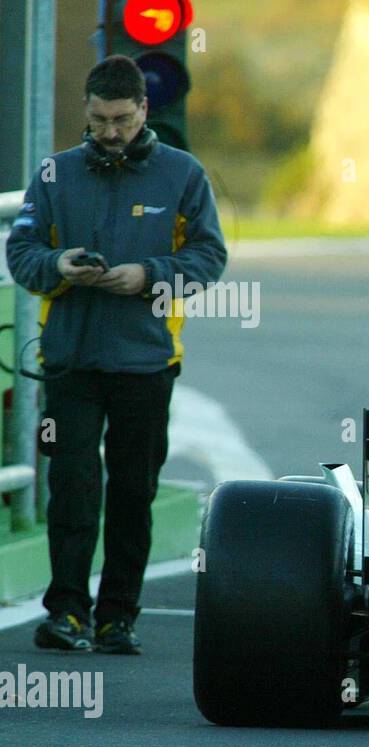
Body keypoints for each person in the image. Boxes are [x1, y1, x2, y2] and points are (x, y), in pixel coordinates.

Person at [5, 55, 227, 654]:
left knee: (133, 492)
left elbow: (209, 259)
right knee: (72, 487)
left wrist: (147, 276)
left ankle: (117, 617)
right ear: (86, 109)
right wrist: (59, 266)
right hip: (70, 364)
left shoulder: (183, 174)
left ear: (144, 110)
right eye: (101, 118)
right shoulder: (54, 173)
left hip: (146, 363)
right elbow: (21, 252)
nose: (110, 131)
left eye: (123, 119)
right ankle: (66, 613)